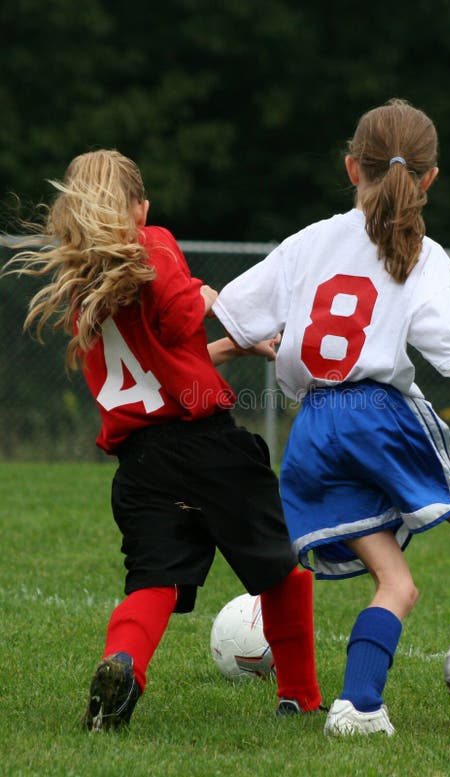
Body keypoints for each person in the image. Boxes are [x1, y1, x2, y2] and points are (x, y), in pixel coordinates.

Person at [212, 98, 450, 737]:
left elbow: (235, 310)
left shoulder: (310, 241)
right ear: (429, 179)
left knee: (396, 581)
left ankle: (358, 707)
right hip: (378, 415)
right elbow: (447, 345)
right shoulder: (423, 253)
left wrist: (224, 346)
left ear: (350, 167)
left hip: (312, 429)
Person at [5, 149, 322, 731]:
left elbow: (159, 358)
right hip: (207, 448)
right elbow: (180, 321)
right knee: (282, 568)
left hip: (142, 463)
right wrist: (208, 296)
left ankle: (124, 663)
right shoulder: (153, 243)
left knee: (153, 582)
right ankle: (298, 696)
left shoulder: (85, 282)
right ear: (140, 207)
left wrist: (232, 347)